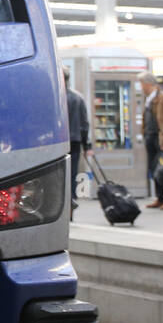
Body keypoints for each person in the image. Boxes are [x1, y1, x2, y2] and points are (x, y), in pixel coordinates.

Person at [138, 71, 163, 210]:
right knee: (155, 168)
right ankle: (160, 197)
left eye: (142, 84)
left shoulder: (161, 98)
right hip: (151, 137)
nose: (141, 87)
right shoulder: (150, 98)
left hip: (159, 140)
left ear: (148, 84)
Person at [64, 67, 92, 214]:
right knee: (73, 171)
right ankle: (71, 201)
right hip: (75, 141)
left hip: (59, 142)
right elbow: (84, 123)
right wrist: (87, 146)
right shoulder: (78, 97)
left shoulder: (56, 97)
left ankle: (65, 202)